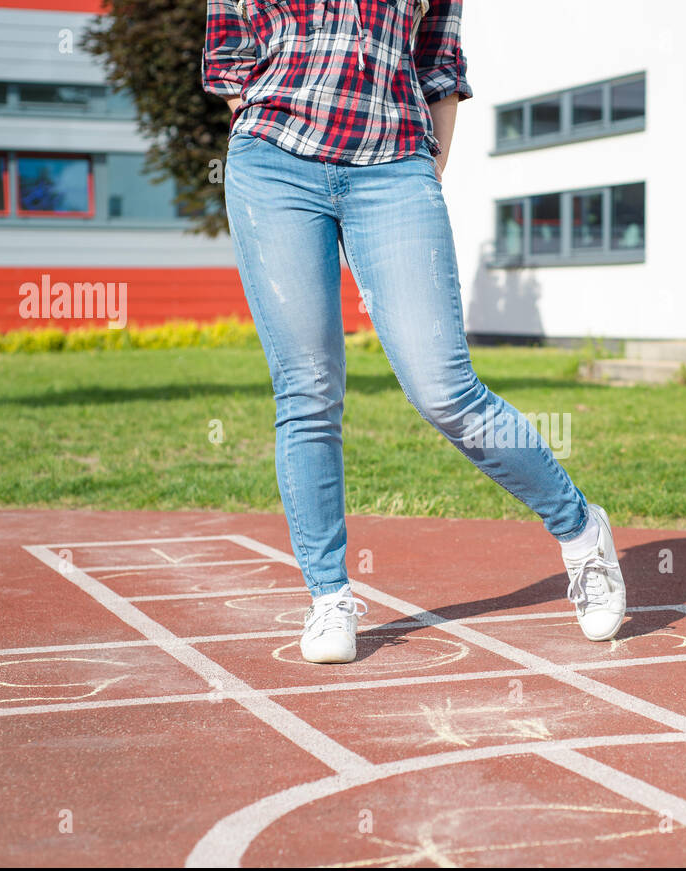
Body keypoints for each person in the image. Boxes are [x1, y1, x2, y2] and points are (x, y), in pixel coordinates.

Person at [203, 0, 625, 663]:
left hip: (394, 165)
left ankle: (580, 530)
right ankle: (329, 598)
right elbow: (230, 59)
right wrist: (272, 148)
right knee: (307, 389)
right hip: (274, 165)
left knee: (444, 389)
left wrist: (427, 173)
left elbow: (439, 66)